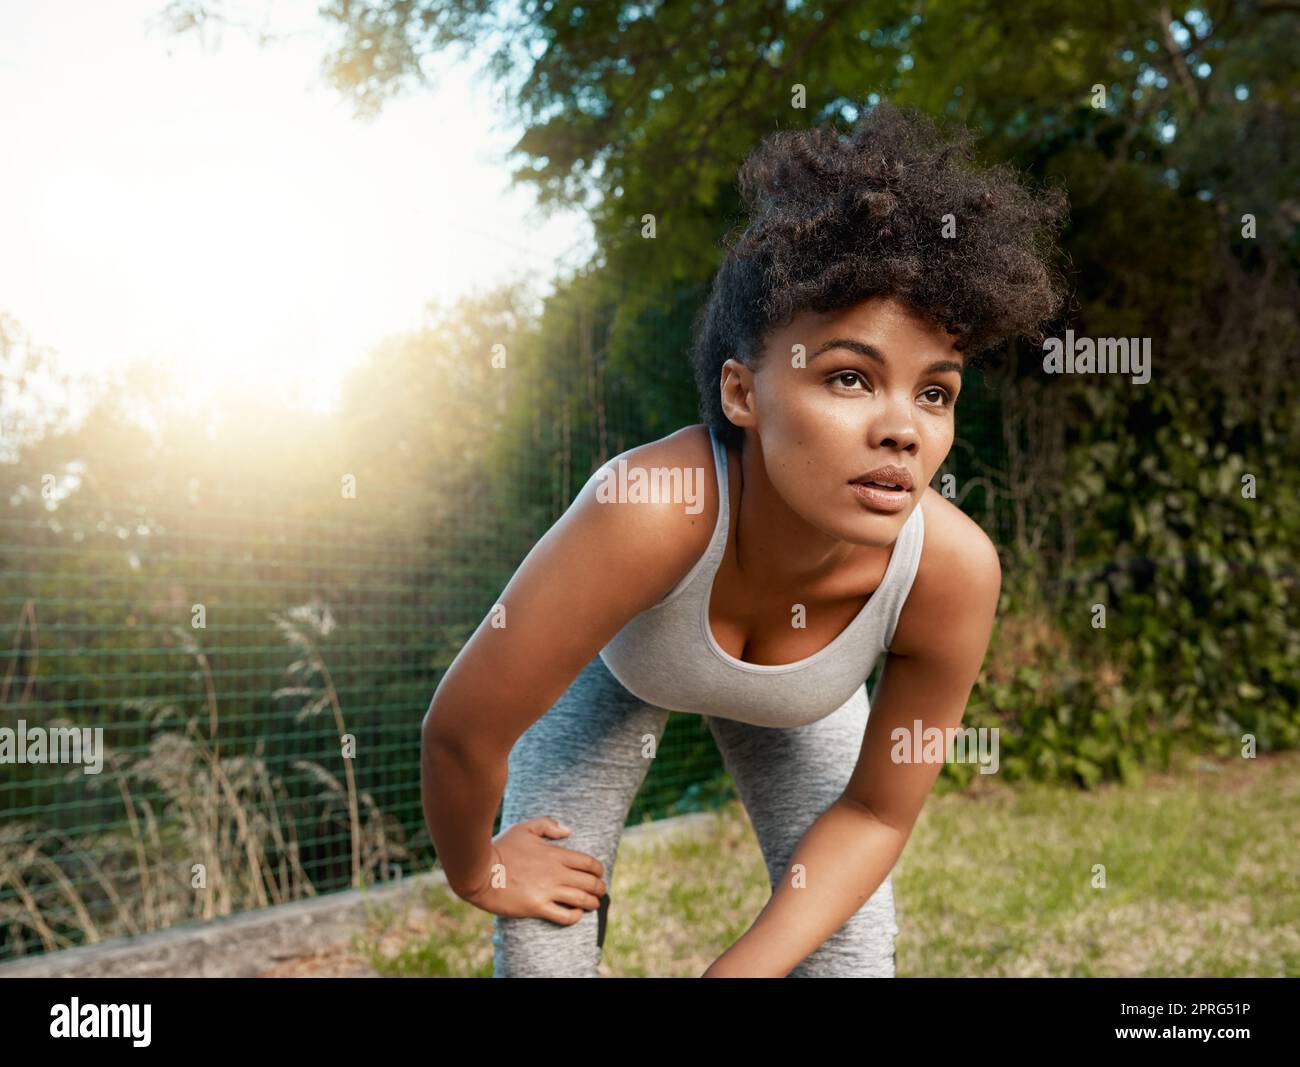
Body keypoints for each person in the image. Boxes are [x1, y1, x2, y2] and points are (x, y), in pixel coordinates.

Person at [420, 100, 1067, 977]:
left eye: (935, 393)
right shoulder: (650, 507)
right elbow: (462, 731)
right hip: (625, 665)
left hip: (806, 704)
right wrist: (479, 867)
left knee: (849, 955)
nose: (903, 431)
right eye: (849, 376)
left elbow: (876, 816)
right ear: (742, 394)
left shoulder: (950, 571)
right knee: (544, 951)